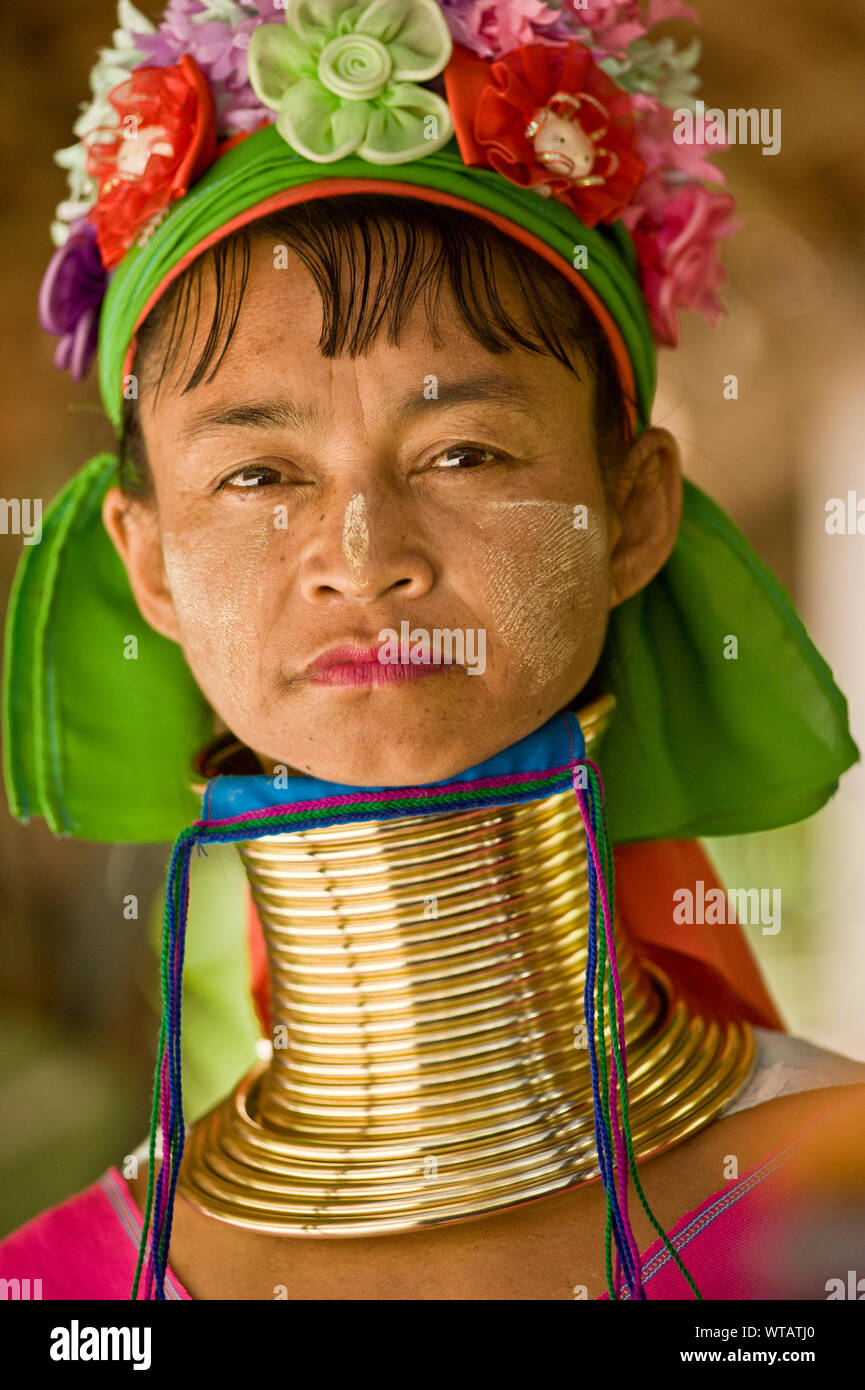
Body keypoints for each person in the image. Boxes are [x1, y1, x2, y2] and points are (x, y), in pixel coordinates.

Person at [2, 0, 865, 1301]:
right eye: (255, 473)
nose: (362, 551)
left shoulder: (832, 1211)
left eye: (464, 452)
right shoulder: (62, 1294)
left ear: (631, 510)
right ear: (149, 563)